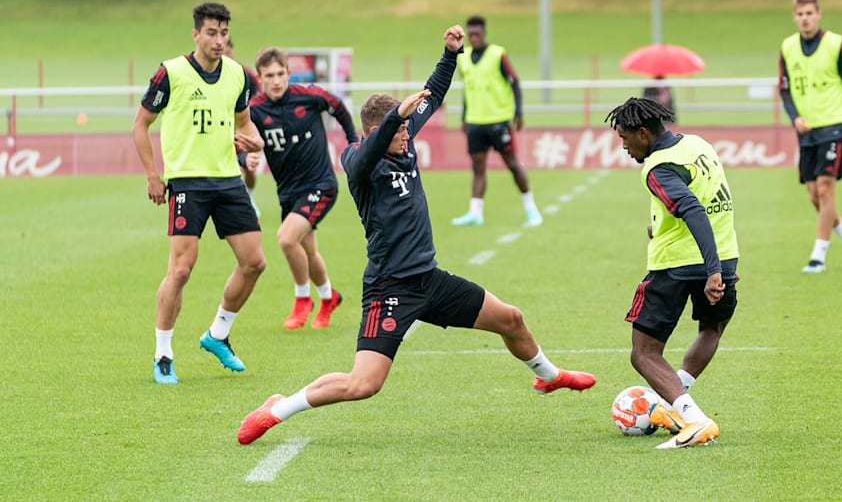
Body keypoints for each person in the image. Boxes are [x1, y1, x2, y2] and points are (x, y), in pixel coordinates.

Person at [237, 25, 595, 445]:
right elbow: (368, 151)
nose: (409, 137)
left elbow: (435, 95)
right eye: (401, 130)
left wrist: (450, 55)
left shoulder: (402, 142)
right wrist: (396, 120)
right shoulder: (359, 160)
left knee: (511, 319)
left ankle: (549, 377)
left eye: (407, 128)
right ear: (378, 131)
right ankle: (277, 408)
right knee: (363, 384)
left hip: (430, 279)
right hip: (390, 286)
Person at [132, 2, 267, 385]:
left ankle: (218, 334)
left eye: (224, 33)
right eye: (211, 32)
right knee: (181, 270)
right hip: (188, 183)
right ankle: (163, 355)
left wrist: (251, 147)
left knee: (255, 263)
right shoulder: (170, 73)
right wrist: (152, 176)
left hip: (227, 181)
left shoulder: (239, 76)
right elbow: (140, 125)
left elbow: (246, 128)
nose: (219, 40)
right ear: (196, 34)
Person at [606, 97, 738, 449]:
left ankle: (693, 420)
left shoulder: (657, 167)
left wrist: (709, 271)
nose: (624, 147)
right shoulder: (698, 145)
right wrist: (661, 226)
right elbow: (708, 197)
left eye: (625, 138)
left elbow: (693, 209)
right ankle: (674, 399)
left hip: (678, 265)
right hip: (726, 256)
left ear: (643, 133)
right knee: (711, 328)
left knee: (644, 352)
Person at [243, 48, 359, 329]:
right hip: (288, 192)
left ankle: (302, 299)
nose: (276, 81)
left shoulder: (310, 97)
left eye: (280, 74)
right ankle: (328, 296)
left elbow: (339, 106)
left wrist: (354, 141)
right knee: (308, 251)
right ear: (260, 78)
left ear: (288, 73)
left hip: (321, 184)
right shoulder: (255, 110)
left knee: (285, 238)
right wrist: (245, 157)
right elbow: (242, 141)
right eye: (269, 75)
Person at [778, 0, 842, 274]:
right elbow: (784, 89)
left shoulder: (835, 44)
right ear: (794, 17)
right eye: (800, 14)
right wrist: (794, 117)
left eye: (810, 13)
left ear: (819, 14)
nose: (805, 18)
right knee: (813, 195)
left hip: (833, 125)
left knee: (825, 188)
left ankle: (818, 256)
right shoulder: (787, 47)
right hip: (806, 129)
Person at [450, 15, 542, 227]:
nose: (473, 37)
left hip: (499, 120)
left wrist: (518, 113)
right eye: (470, 34)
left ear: (484, 33)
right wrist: (464, 116)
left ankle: (531, 209)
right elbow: (468, 89)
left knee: (512, 164)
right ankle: (475, 212)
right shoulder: (463, 58)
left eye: (476, 33)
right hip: (475, 121)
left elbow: (515, 84)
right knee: (478, 167)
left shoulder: (497, 54)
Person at [227, 38, 263, 218]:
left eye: (228, 51)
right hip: (221, 131)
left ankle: (250, 197)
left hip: (241, 128)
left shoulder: (244, 74)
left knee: (249, 164)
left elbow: (259, 98)